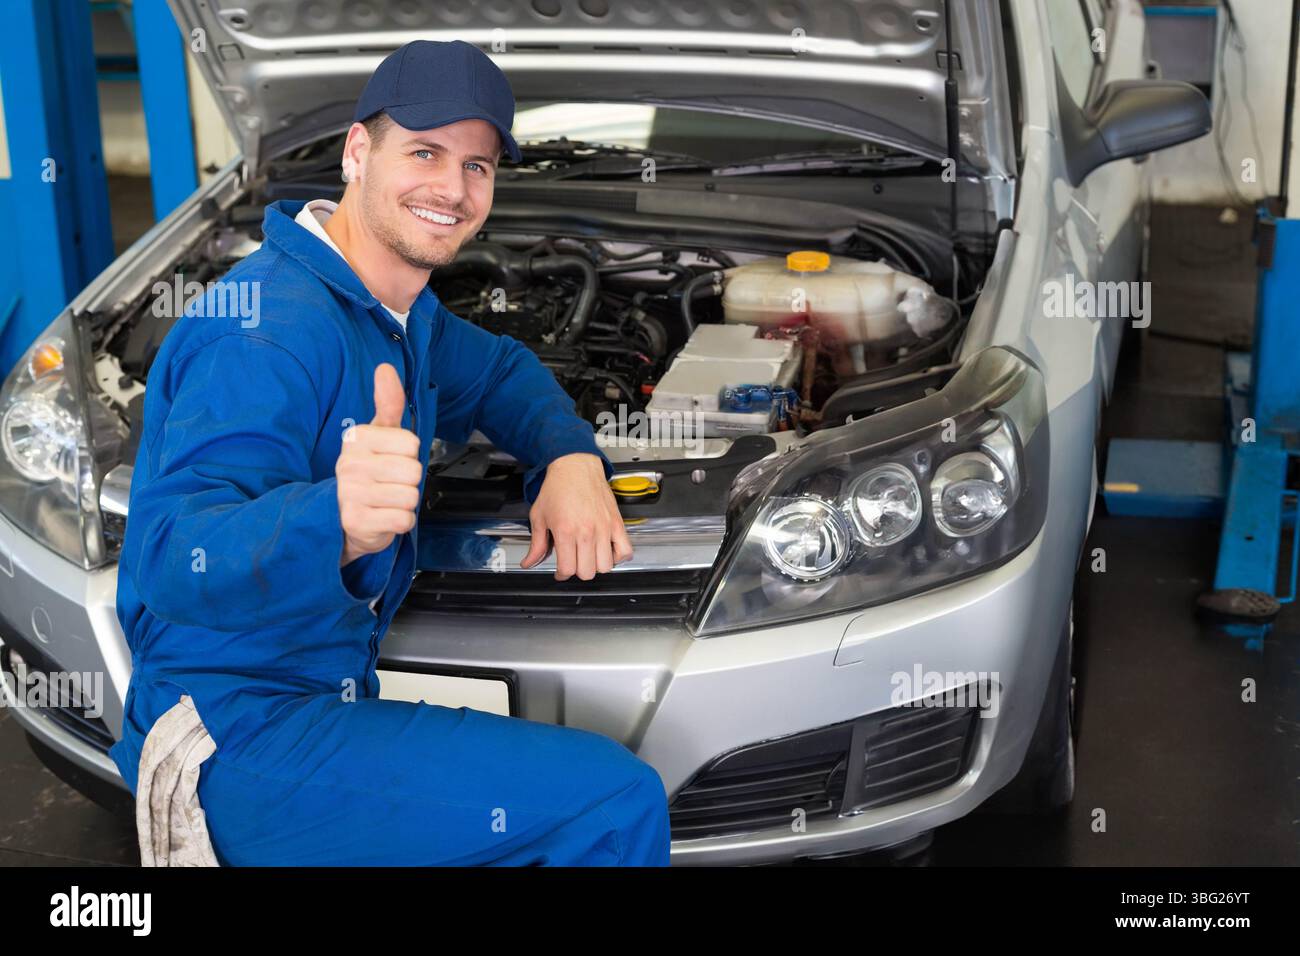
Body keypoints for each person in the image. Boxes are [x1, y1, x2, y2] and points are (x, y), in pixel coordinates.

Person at [107, 39, 671, 866]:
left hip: (314, 695)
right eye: (425, 152)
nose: (452, 188)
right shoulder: (266, 333)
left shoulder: (391, 306)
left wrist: (570, 457)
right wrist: (328, 520)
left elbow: (503, 370)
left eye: (477, 166)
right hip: (236, 729)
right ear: (358, 152)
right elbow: (169, 552)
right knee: (614, 803)